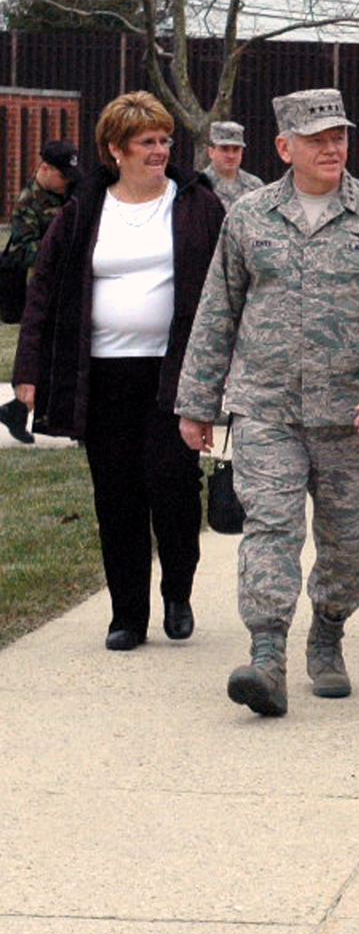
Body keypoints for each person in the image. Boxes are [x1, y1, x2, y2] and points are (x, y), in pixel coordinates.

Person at [175, 88, 359, 718]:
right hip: (267, 409)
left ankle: (329, 632)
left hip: (350, 415)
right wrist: (197, 402)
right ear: (285, 147)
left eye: (338, 135)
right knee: (271, 529)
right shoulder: (250, 216)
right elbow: (217, 312)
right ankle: (265, 655)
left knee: (347, 541)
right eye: (316, 139)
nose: (331, 147)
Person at [12, 96, 223, 648]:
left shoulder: (197, 203)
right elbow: (44, 292)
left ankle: (177, 591)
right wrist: (28, 371)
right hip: (102, 376)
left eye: (165, 141)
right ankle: (128, 614)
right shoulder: (84, 209)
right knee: (117, 494)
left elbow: (228, 289)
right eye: (147, 142)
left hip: (173, 373)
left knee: (174, 486)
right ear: (115, 149)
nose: (160, 151)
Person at [1, 140, 80, 438]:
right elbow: (22, 249)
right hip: (42, 289)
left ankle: (16, 411)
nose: (67, 181)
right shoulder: (28, 202)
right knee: (43, 353)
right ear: (45, 169)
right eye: (63, 175)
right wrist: (58, 251)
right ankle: (20, 410)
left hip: (66, 288)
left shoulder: (68, 192)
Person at [202, 121, 264, 207]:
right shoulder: (201, 185)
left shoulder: (254, 186)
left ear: (242, 152)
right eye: (224, 149)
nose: (231, 156)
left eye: (236, 149)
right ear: (211, 152)